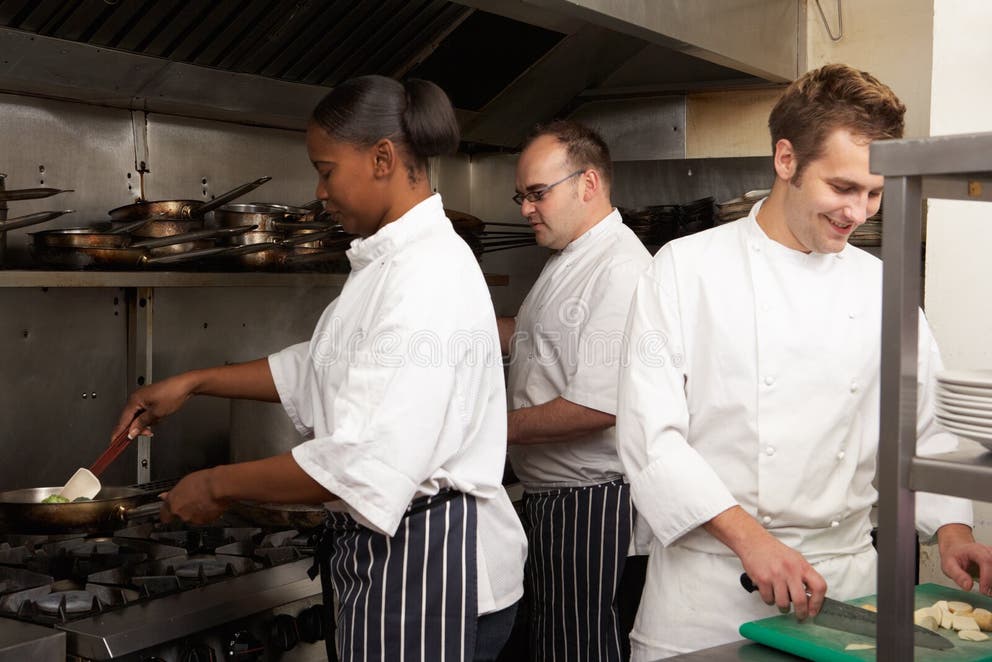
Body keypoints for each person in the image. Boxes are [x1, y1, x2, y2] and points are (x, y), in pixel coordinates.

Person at [111, 75, 527, 662]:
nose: (319, 191)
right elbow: (320, 367)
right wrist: (195, 382)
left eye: (327, 169)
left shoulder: (426, 276)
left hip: (437, 580)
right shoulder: (389, 263)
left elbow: (359, 461)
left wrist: (217, 484)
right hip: (401, 568)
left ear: (382, 158)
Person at [616, 63, 992, 660]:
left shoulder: (881, 284)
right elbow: (651, 440)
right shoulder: (684, 271)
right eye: (843, 188)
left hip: (849, 586)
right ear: (785, 159)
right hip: (708, 589)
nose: (860, 212)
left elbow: (927, 426)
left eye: (875, 193)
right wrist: (753, 541)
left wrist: (952, 530)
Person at [499, 119, 652, 661]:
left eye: (537, 194)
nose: (525, 209)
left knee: (581, 650)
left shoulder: (621, 268)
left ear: (587, 184)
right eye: (521, 196)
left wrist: (484, 431)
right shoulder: (571, 257)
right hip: (555, 501)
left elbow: (595, 406)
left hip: (591, 503)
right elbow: (538, 333)